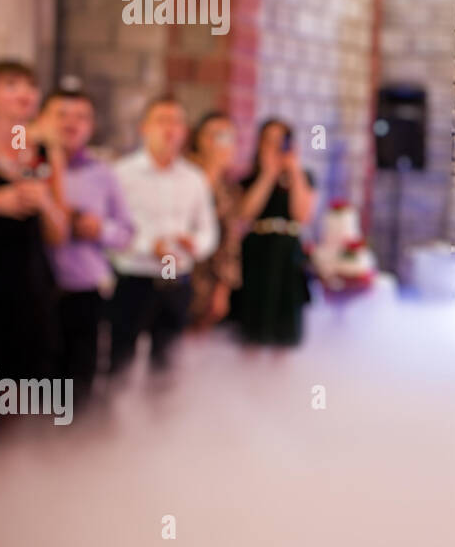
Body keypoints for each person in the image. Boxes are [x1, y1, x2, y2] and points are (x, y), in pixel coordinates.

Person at [0, 61, 68, 394]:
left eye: (30, 85)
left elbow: (60, 233)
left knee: (27, 394)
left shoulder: (43, 153)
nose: (25, 93)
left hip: (30, 289)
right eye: (12, 84)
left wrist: (45, 205)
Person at [109, 95, 218, 374]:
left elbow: (208, 230)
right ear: (144, 127)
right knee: (120, 360)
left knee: (168, 366)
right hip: (134, 277)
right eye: (162, 121)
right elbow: (110, 228)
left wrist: (194, 244)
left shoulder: (194, 178)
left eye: (177, 122)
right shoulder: (121, 173)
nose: (170, 129)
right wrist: (148, 246)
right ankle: (111, 416)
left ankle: (162, 416)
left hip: (176, 281)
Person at [39, 86, 135, 404]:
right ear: (42, 119)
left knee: (79, 388)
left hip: (84, 291)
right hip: (33, 292)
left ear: (91, 127)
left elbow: (125, 232)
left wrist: (99, 229)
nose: (71, 123)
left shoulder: (103, 173)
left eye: (81, 117)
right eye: (62, 114)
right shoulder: (26, 166)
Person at [234, 119, 316, 344]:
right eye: (269, 141)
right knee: (253, 322)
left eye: (281, 141)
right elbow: (245, 213)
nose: (275, 147)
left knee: (285, 324)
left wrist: (294, 170)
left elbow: (303, 215)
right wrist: (268, 174)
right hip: (258, 253)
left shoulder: (304, 177)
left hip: (289, 256)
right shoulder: (249, 179)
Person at [186, 112, 243, 329]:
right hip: (179, 276)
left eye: (228, 136)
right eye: (215, 135)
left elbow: (230, 242)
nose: (221, 143)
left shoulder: (229, 189)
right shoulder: (183, 177)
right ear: (199, 139)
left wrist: (223, 288)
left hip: (211, 282)